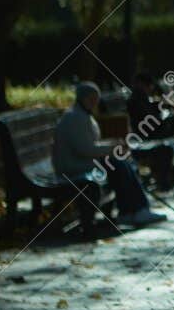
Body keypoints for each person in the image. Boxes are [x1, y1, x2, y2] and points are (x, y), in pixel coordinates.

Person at [55, 82, 165, 228]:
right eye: (92, 98)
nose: (95, 102)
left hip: (81, 162)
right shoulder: (75, 118)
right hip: (73, 167)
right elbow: (85, 149)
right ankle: (134, 210)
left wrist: (112, 145)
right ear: (83, 98)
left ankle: (135, 209)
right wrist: (112, 148)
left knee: (123, 163)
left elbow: (90, 145)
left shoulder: (81, 114)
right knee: (118, 163)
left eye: (96, 98)